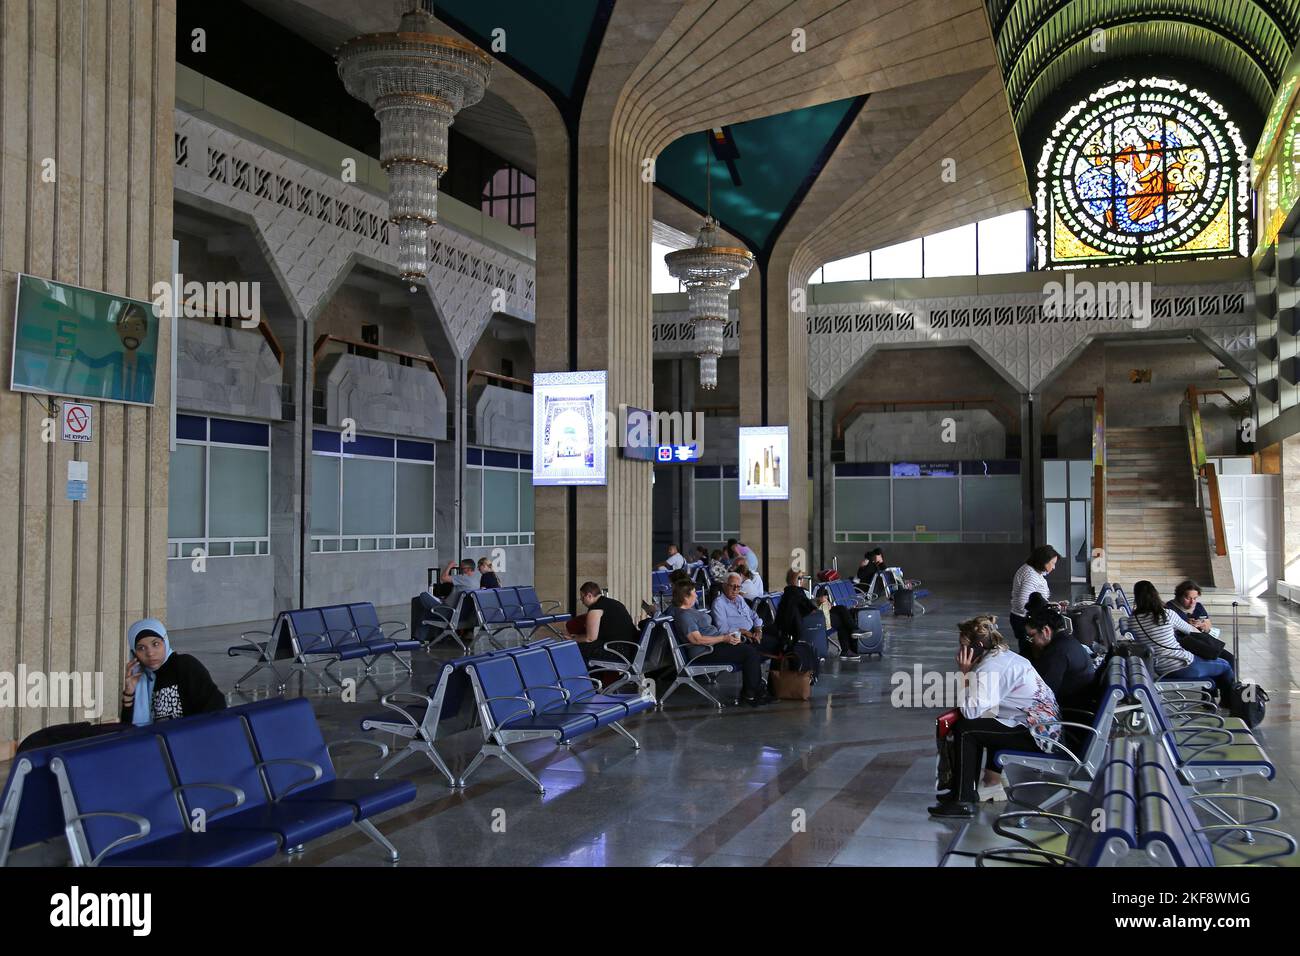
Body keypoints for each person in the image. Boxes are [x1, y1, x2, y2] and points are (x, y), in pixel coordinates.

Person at [929, 616, 1061, 818]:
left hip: (1039, 735)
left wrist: (964, 674)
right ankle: (963, 791)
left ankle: (963, 801)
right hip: (1042, 726)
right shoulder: (1000, 656)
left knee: (966, 730)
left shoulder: (991, 667)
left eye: (964, 647)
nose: (960, 652)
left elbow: (971, 711)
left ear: (978, 646)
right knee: (971, 726)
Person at [1130, 580, 1235, 700]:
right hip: (1183, 664)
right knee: (1226, 666)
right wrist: (1201, 627)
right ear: (1155, 595)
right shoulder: (1167, 614)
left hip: (1160, 668)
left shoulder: (1133, 620)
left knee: (1213, 663)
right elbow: (1192, 631)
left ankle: (1210, 699)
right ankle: (1229, 703)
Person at [670, 579, 768, 706]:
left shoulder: (690, 611)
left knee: (751, 649)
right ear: (685, 596)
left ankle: (757, 692)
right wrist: (723, 638)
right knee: (749, 653)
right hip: (705, 652)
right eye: (694, 592)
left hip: (715, 645)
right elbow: (696, 639)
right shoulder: (684, 616)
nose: (696, 595)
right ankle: (749, 696)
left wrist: (728, 637)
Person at [121, 618, 226, 725]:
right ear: (134, 653)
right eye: (141, 648)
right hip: (156, 740)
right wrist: (129, 692)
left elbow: (215, 708)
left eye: (155, 644)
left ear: (165, 642)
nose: (150, 653)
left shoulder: (185, 665)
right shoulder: (140, 679)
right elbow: (127, 729)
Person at [1023, 594, 1096, 712]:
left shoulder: (1057, 652)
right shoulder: (1067, 641)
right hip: (1080, 705)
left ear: (1046, 630)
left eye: (1032, 637)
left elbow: (1042, 693)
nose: (1032, 642)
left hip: (1069, 713)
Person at [565, 581, 639, 663]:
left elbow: (590, 638)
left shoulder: (596, 608)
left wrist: (573, 639)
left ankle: (580, 675)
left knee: (574, 649)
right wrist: (578, 637)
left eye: (582, 598)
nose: (582, 601)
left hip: (619, 651)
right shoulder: (613, 603)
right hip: (631, 648)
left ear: (589, 596)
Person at [1166, 579, 1234, 667]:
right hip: (1185, 644)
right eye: (1188, 598)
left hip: (1202, 641)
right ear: (1179, 596)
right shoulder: (1170, 609)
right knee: (1222, 660)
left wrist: (1203, 626)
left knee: (1230, 658)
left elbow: (1208, 626)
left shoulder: (1198, 607)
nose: (1192, 602)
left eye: (1195, 598)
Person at [1009, 545, 1060, 656]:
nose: (1054, 567)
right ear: (1043, 561)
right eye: (1053, 563)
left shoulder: (1035, 572)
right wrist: (1045, 608)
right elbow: (1024, 603)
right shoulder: (1030, 575)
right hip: (1024, 620)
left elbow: (1035, 599)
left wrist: (1049, 605)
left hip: (1024, 618)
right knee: (1029, 653)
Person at [712, 573, 777, 654]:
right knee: (774, 645)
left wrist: (758, 629)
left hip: (753, 631)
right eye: (732, 586)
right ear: (724, 586)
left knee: (780, 636)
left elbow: (753, 615)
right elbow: (722, 629)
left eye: (738, 586)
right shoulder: (719, 603)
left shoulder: (739, 598)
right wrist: (744, 632)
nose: (736, 589)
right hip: (741, 638)